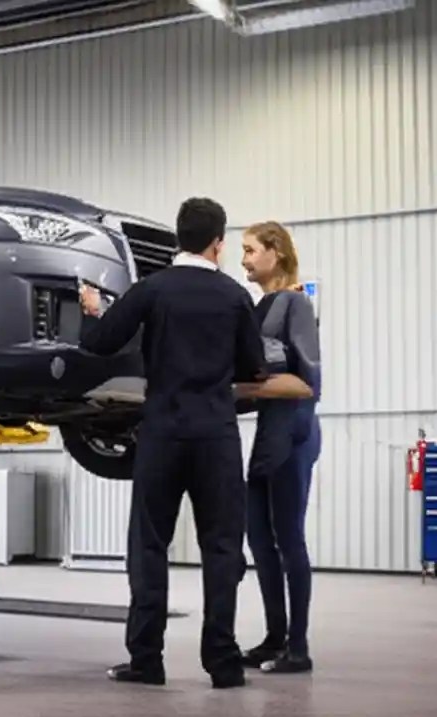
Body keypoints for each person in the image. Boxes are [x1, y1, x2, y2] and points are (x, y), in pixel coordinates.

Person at [78, 197, 267, 690]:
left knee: (149, 546)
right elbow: (253, 368)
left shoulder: (152, 289)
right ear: (218, 243)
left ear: (179, 238)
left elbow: (100, 341)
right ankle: (223, 663)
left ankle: (146, 661)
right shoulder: (233, 296)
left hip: (161, 433)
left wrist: (93, 310)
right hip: (216, 437)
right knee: (223, 549)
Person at [234, 221, 322, 675]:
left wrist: (242, 389)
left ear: (276, 253)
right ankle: (274, 636)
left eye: (250, 250)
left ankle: (299, 647)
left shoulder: (295, 304)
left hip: (295, 431)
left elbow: (309, 383)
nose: (244, 258)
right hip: (270, 431)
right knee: (259, 539)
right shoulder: (258, 306)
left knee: (288, 538)